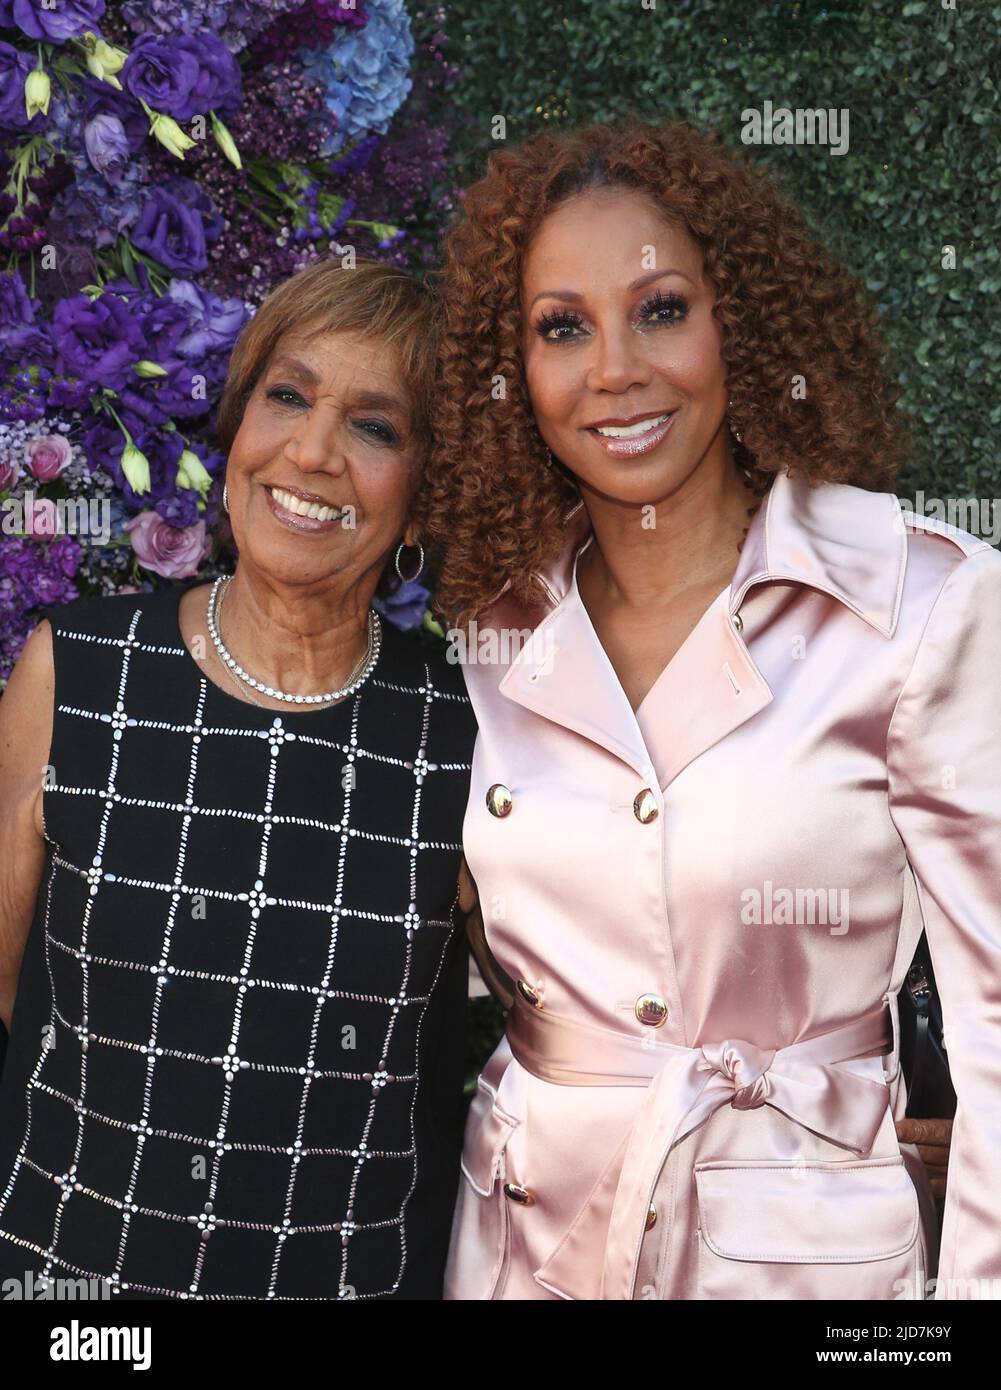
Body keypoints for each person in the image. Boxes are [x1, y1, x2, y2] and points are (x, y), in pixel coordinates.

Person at [418, 119, 1001, 1301]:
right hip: (524, 1248)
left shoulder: (920, 600)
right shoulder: (491, 623)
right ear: (512, 368)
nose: (615, 369)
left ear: (741, 321)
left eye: (662, 309)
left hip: (803, 1262)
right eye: (561, 328)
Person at [0, 259, 477, 1300]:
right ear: (239, 419)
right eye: (288, 396)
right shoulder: (75, 673)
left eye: (375, 427)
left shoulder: (466, 736)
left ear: (424, 485)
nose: (310, 453)